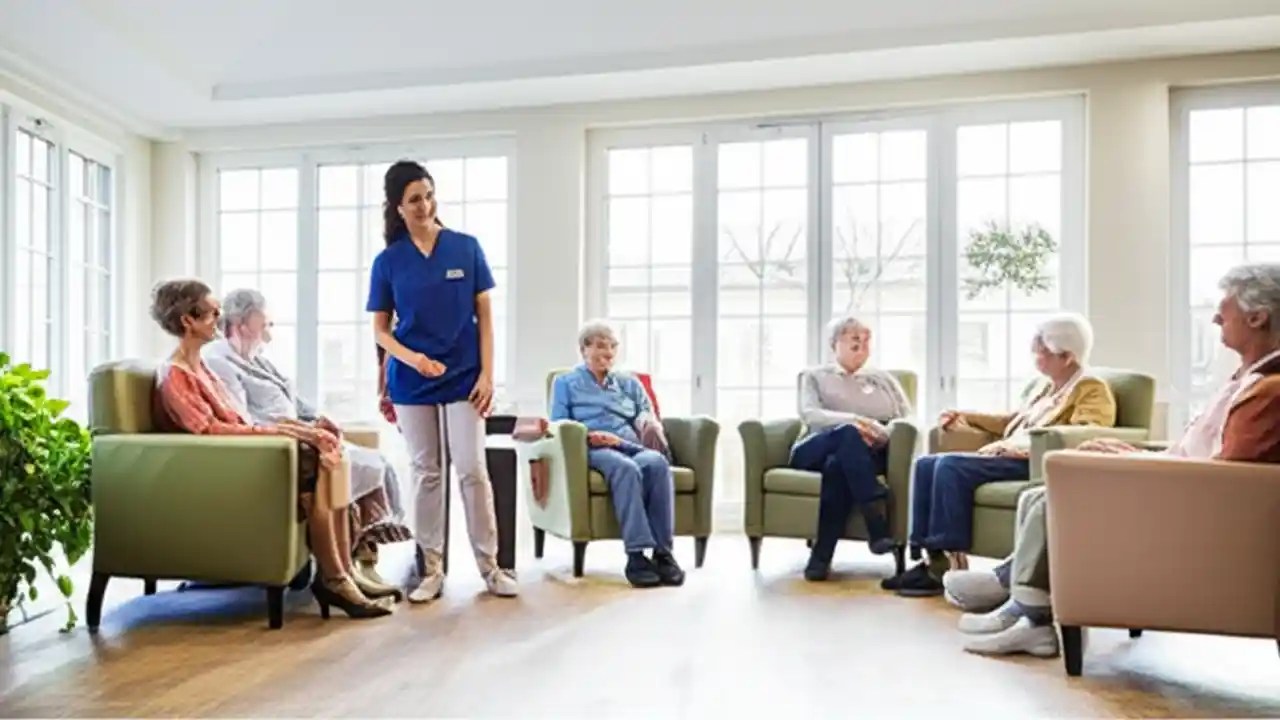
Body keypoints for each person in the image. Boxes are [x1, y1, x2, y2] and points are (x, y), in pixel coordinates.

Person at [945, 263, 1280, 657]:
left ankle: (1028, 610)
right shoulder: (1247, 378)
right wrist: (1135, 454)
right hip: (1181, 485)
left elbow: (1224, 480)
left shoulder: (1268, 390)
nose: (1214, 317)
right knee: (1040, 493)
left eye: (1224, 309)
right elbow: (1201, 454)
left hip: (1190, 509)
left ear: (1257, 317)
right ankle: (1020, 598)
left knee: (1057, 491)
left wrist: (1140, 464)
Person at [148, 279, 392, 619]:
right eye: (212, 314)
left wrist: (303, 430)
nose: (219, 321)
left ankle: (342, 574)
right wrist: (282, 433)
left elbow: (238, 418)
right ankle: (335, 578)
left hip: (248, 452)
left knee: (328, 450)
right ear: (188, 321)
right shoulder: (175, 375)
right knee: (317, 459)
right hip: (232, 466)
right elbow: (211, 431)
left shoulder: (201, 367)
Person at [366, 160, 517, 603]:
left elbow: (485, 319)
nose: (425, 205)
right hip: (412, 380)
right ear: (397, 207)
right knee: (426, 472)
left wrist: (489, 374)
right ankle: (430, 569)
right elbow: (380, 330)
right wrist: (413, 359)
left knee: (472, 468)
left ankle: (491, 567)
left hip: (466, 376)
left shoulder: (465, 248)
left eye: (429, 195)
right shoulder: (388, 261)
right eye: (414, 199)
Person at [888, 312, 1117, 597]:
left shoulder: (1091, 388)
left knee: (950, 466)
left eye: (1042, 352)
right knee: (925, 464)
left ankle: (950, 565)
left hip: (1034, 462)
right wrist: (965, 416)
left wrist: (1017, 448)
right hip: (1007, 455)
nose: (1035, 357)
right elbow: (1014, 420)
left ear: (1067, 356)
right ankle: (930, 558)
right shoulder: (1046, 386)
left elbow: (1087, 432)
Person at [205, 288, 412, 597]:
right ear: (244, 320)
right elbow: (242, 418)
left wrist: (318, 418)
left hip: (299, 434)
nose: (270, 323)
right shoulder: (219, 361)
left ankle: (361, 557)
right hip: (279, 445)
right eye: (265, 316)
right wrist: (304, 431)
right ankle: (351, 564)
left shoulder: (258, 358)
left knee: (372, 460)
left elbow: (294, 401)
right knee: (351, 462)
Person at [550, 321, 682, 589]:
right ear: (583, 349)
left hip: (631, 445)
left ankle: (663, 553)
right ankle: (636, 555)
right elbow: (559, 423)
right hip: (595, 448)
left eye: (612, 346)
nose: (608, 353)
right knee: (625, 469)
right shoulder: (565, 383)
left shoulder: (628, 382)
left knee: (656, 463)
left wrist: (649, 425)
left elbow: (646, 413)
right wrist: (588, 434)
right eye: (600, 346)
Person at [792, 316, 912, 581]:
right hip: (816, 448)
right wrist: (857, 423)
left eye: (866, 340)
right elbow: (810, 415)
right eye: (854, 340)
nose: (862, 345)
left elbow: (905, 418)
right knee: (847, 435)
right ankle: (874, 519)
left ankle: (820, 558)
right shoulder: (815, 376)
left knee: (839, 466)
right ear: (834, 344)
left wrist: (881, 433)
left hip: (867, 454)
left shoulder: (883, 379)